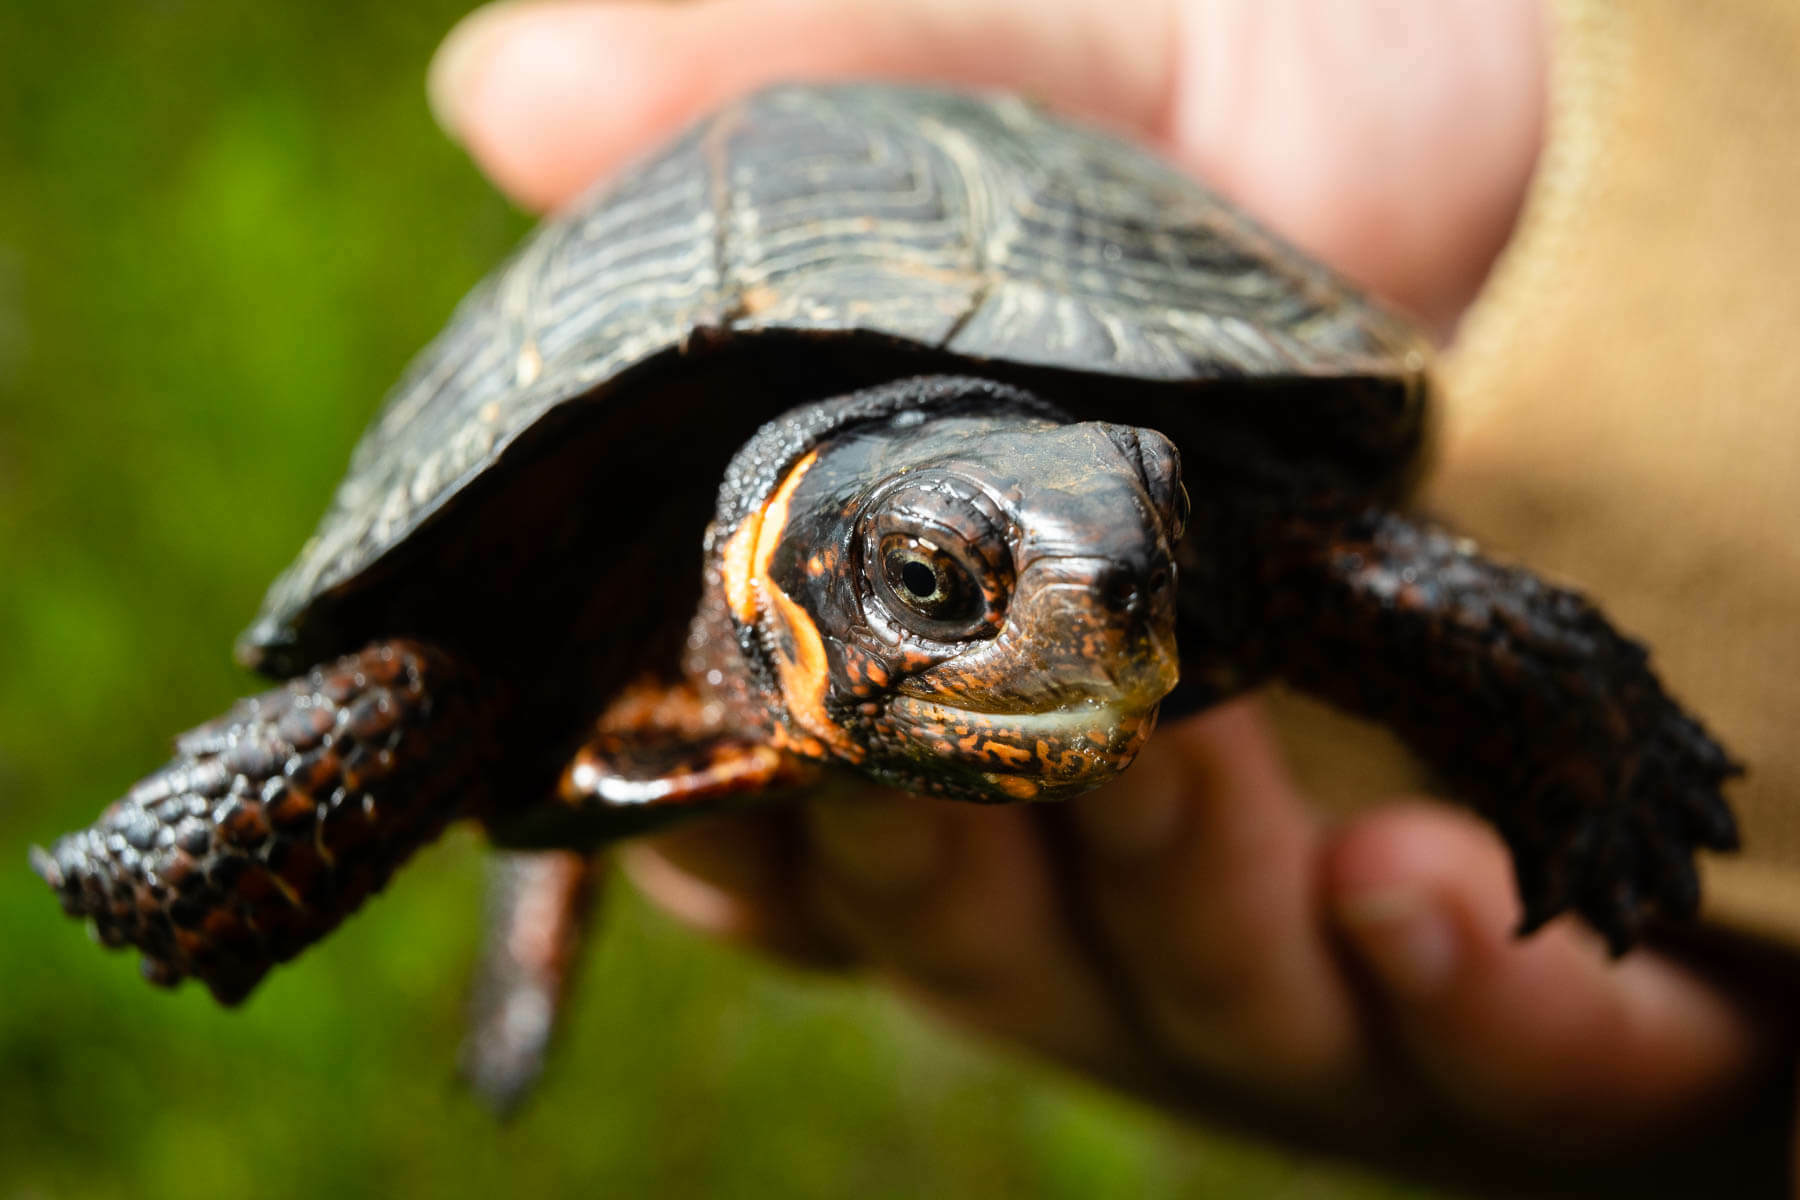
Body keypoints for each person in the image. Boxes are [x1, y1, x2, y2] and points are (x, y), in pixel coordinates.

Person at [425, 0, 1793, 1190]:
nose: (1115, 591)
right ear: (784, 564)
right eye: (936, 583)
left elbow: (1366, 578)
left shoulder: (1202, 561)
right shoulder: (596, 557)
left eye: (1148, 537)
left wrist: (1602, 768)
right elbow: (400, 680)